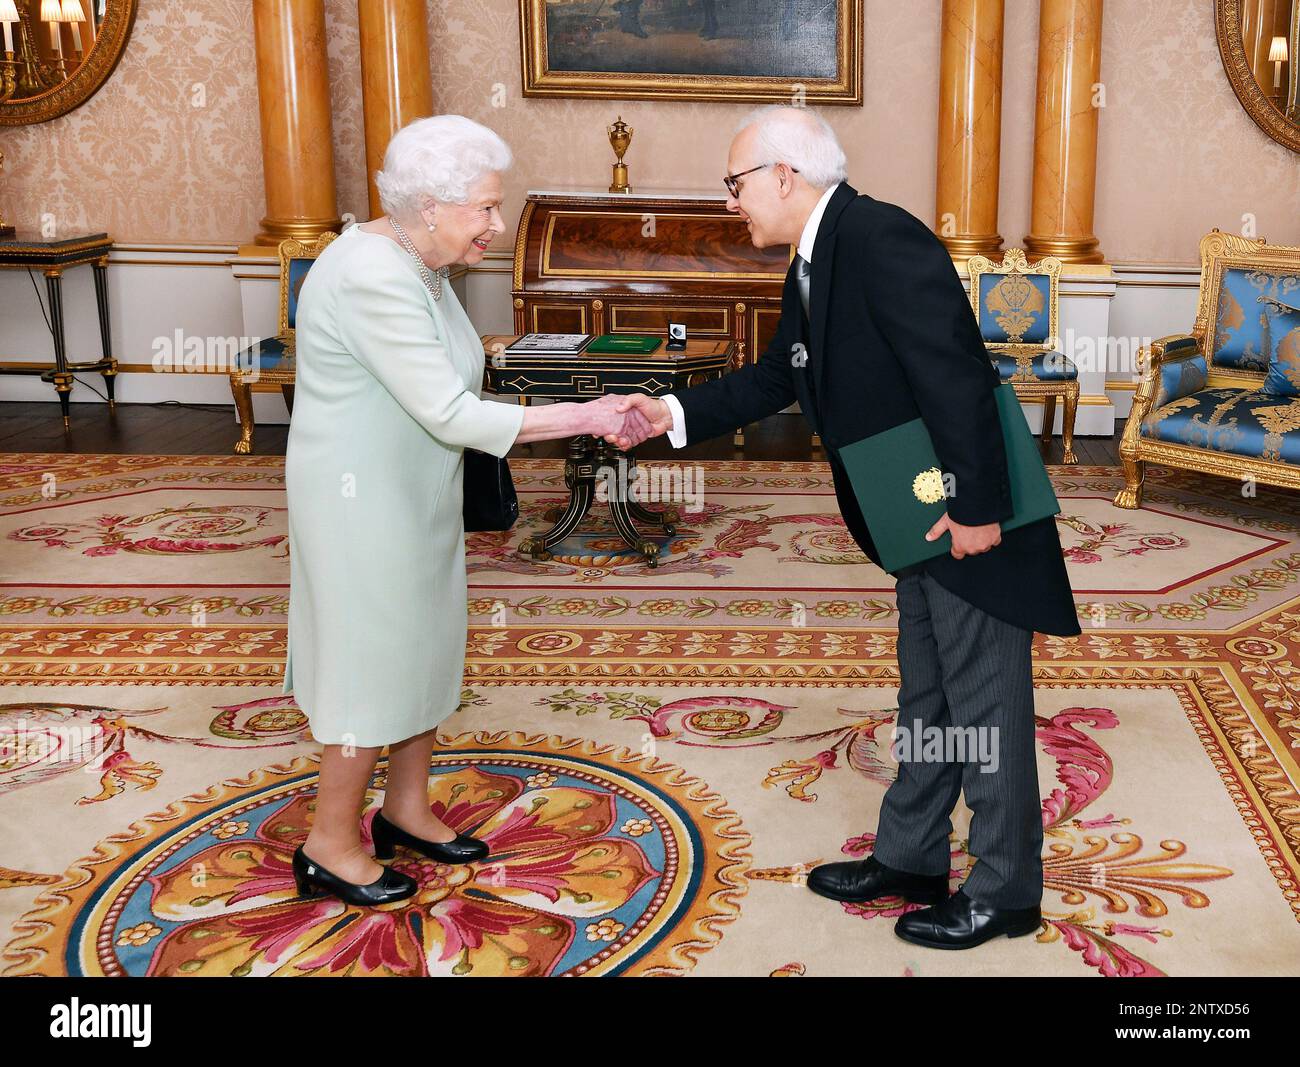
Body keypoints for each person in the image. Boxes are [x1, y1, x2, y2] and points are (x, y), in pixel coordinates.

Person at [614, 105, 1080, 950]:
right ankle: (911, 856)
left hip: (959, 512)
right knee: (929, 694)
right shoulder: (814, 257)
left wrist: (978, 508)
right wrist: (670, 411)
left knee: (985, 701)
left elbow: (958, 375)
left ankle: (1008, 888)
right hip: (910, 512)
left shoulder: (879, 238)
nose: (732, 203)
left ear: (786, 177)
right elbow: (775, 378)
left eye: (737, 183)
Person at [282, 115, 649, 907]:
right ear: (428, 205)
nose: (495, 223)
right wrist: (587, 415)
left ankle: (406, 809)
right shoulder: (370, 274)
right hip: (360, 501)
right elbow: (453, 412)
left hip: (415, 489)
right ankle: (329, 842)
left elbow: (460, 389)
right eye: (484, 207)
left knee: (423, 641)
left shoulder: (423, 265)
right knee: (364, 664)